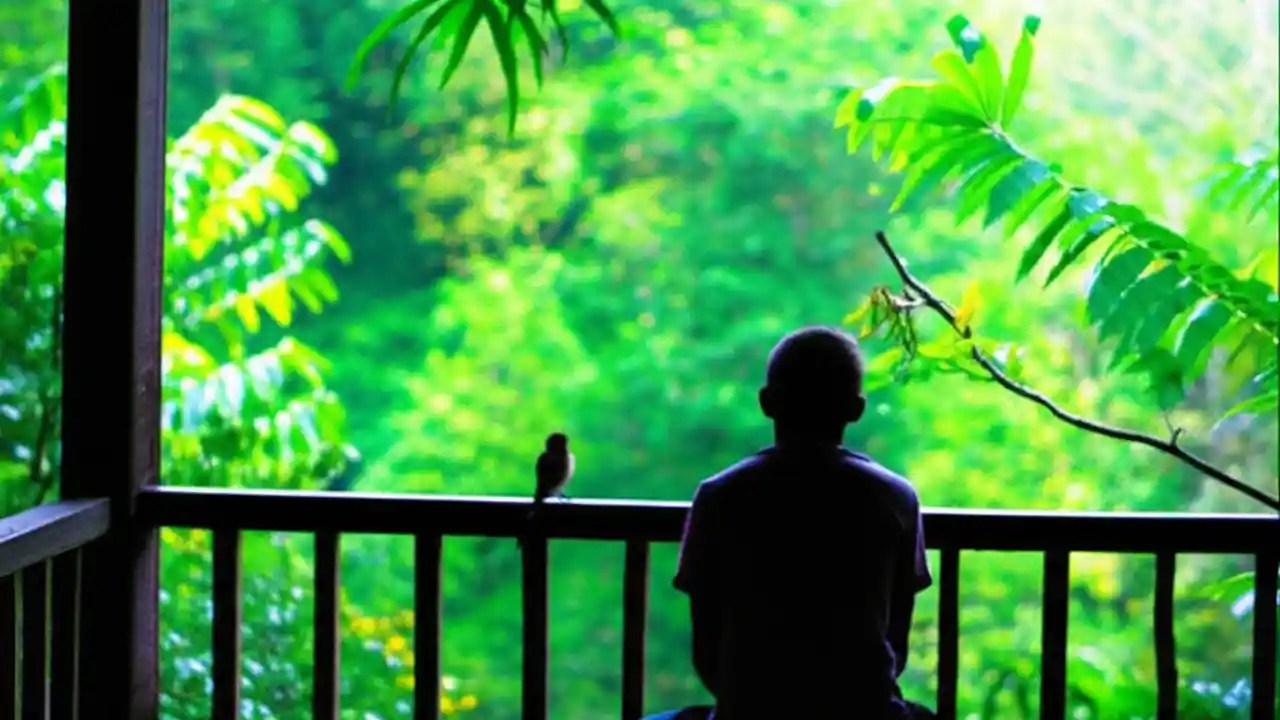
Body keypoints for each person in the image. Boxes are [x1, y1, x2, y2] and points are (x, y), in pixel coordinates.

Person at [644, 326, 935, 720]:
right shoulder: (895, 497)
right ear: (856, 409)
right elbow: (894, 641)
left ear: (767, 403)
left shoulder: (721, 495)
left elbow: (707, 648)